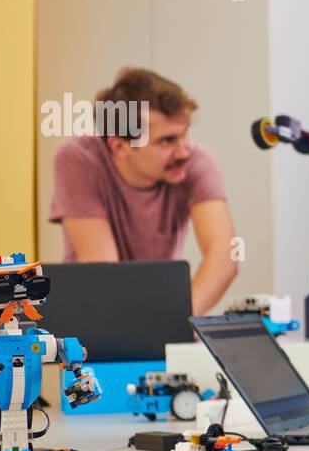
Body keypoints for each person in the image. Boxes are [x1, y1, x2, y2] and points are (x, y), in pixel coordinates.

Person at [48, 67, 238, 315]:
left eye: (185, 135)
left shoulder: (196, 160)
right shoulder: (78, 160)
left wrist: (177, 321)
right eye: (167, 141)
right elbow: (103, 269)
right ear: (119, 146)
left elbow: (224, 255)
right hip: (99, 314)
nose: (184, 152)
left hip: (164, 313)